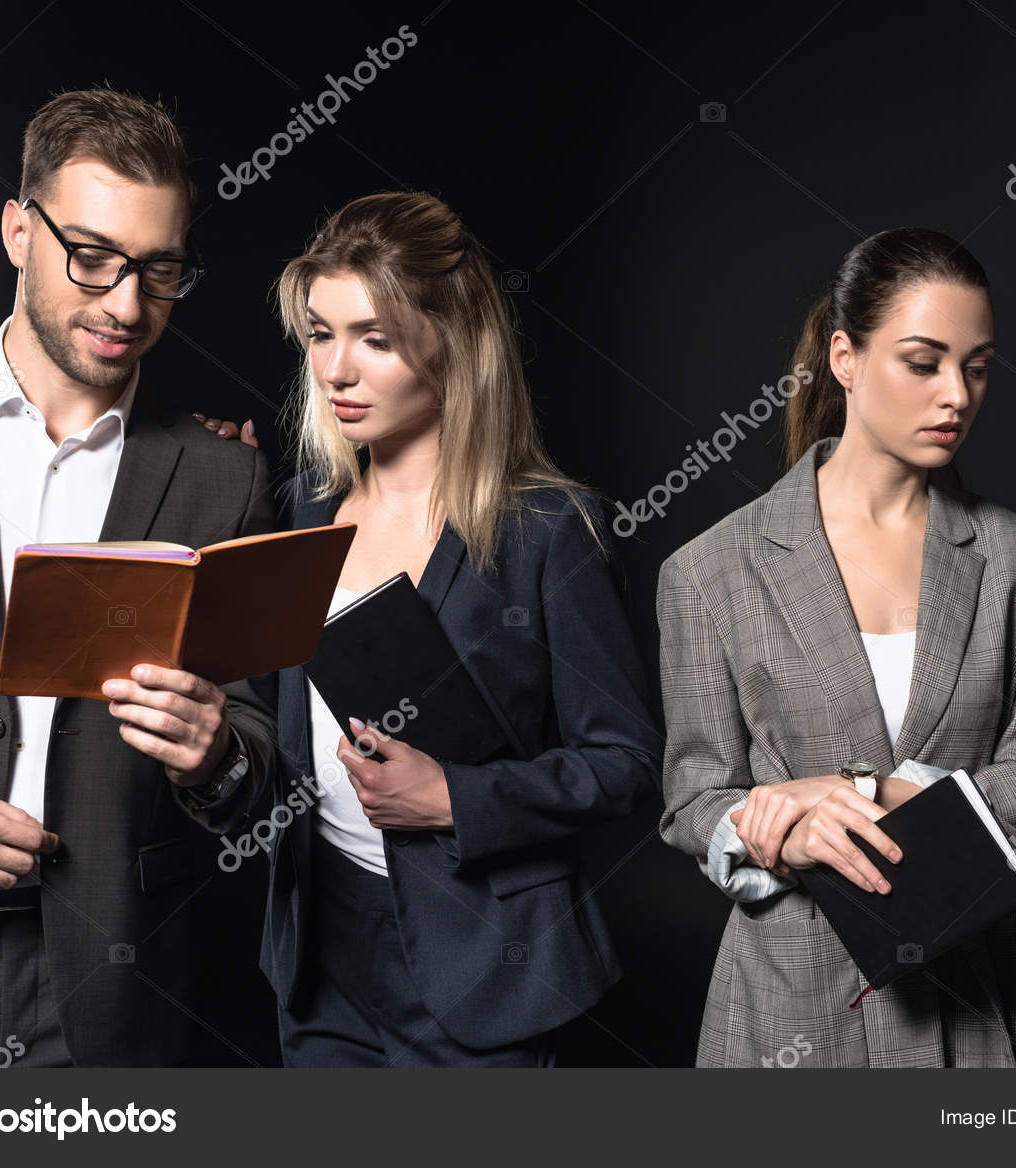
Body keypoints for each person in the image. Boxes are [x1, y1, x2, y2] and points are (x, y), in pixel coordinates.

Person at [0, 87, 280, 1067]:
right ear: (16, 232)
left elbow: (258, 765)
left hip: (112, 996)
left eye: (159, 271)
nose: (126, 304)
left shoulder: (224, 475)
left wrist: (214, 755)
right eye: (92, 258)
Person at [194, 191, 661, 1066]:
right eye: (321, 334)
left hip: (488, 967)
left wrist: (457, 797)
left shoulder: (548, 530)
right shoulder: (295, 515)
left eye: (373, 337)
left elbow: (627, 762)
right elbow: (260, 738)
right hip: (320, 958)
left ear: (451, 341)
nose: (336, 369)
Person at [656, 228, 1016, 1067]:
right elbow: (692, 798)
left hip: (990, 997)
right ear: (844, 359)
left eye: (978, 364)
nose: (956, 393)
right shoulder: (708, 571)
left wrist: (869, 791)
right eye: (923, 362)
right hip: (792, 1006)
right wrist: (776, 830)